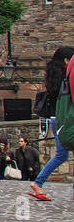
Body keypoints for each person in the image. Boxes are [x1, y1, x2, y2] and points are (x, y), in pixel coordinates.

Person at [30, 46, 74, 201]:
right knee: (62, 155)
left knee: (62, 155)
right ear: (67, 60)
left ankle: (38, 183)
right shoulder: (67, 76)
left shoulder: (54, 76)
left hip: (55, 119)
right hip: (65, 120)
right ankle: (38, 183)